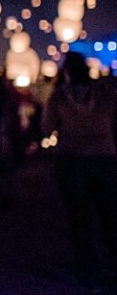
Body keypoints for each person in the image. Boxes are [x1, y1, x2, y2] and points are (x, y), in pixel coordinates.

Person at [42, 52, 117, 289]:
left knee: (80, 220)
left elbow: (47, 128)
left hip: (71, 160)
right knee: (110, 217)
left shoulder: (58, 97)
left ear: (66, 71)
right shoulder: (106, 93)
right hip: (104, 158)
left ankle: (89, 272)